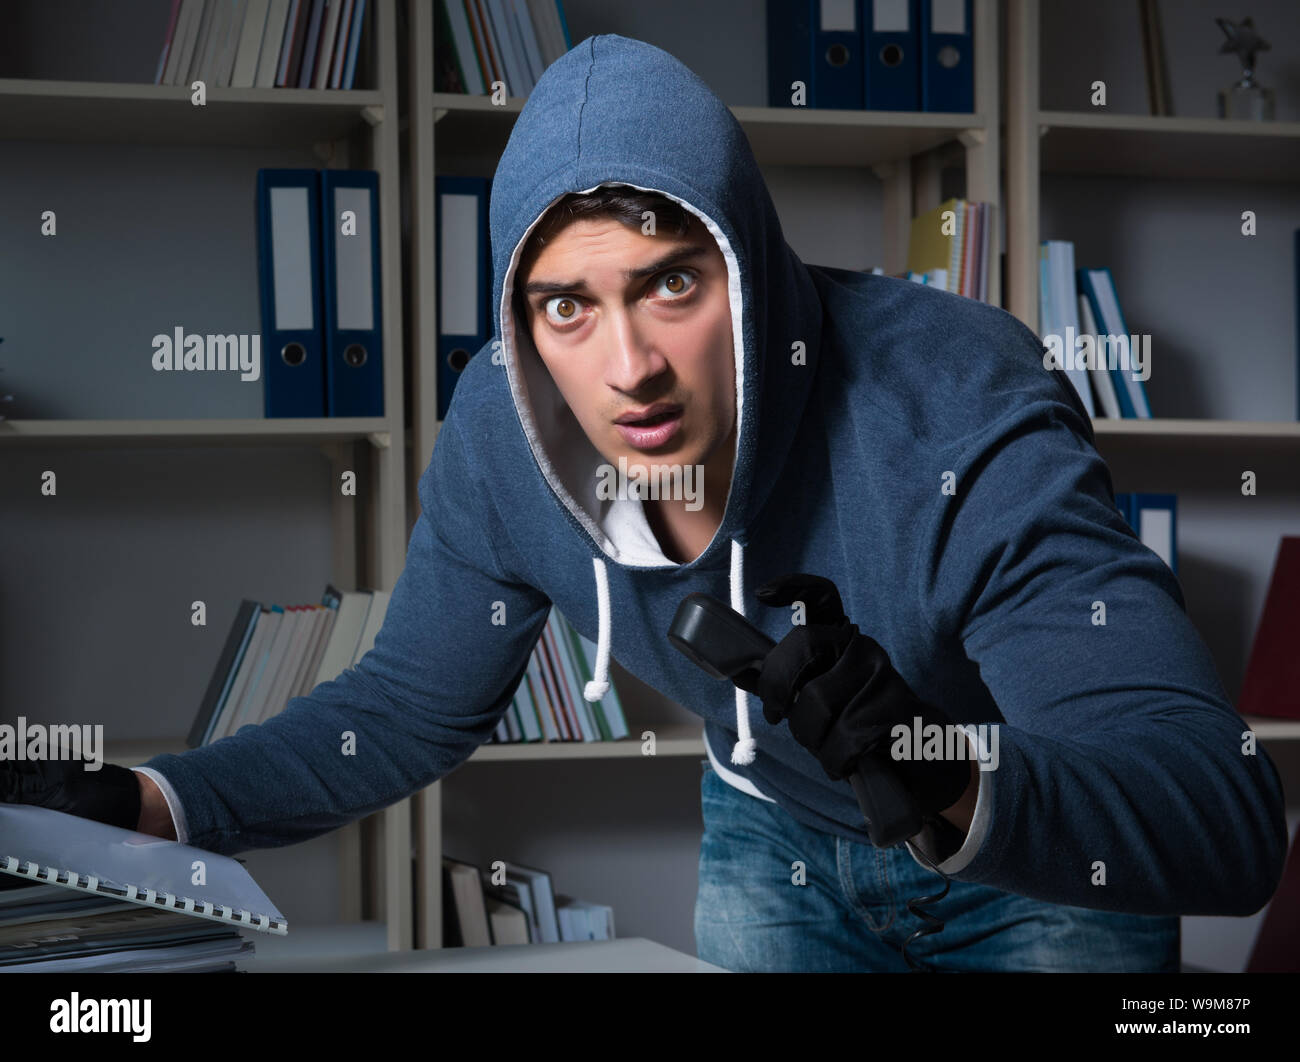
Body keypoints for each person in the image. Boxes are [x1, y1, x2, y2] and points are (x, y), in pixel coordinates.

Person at [3, 35, 1286, 973]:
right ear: (521, 317)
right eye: (568, 305)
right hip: (775, 830)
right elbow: (402, 708)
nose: (629, 369)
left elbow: (1221, 817)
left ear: (752, 270)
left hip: (1038, 864)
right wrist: (159, 806)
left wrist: (939, 767)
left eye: (674, 284)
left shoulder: (952, 397)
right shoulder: (502, 427)